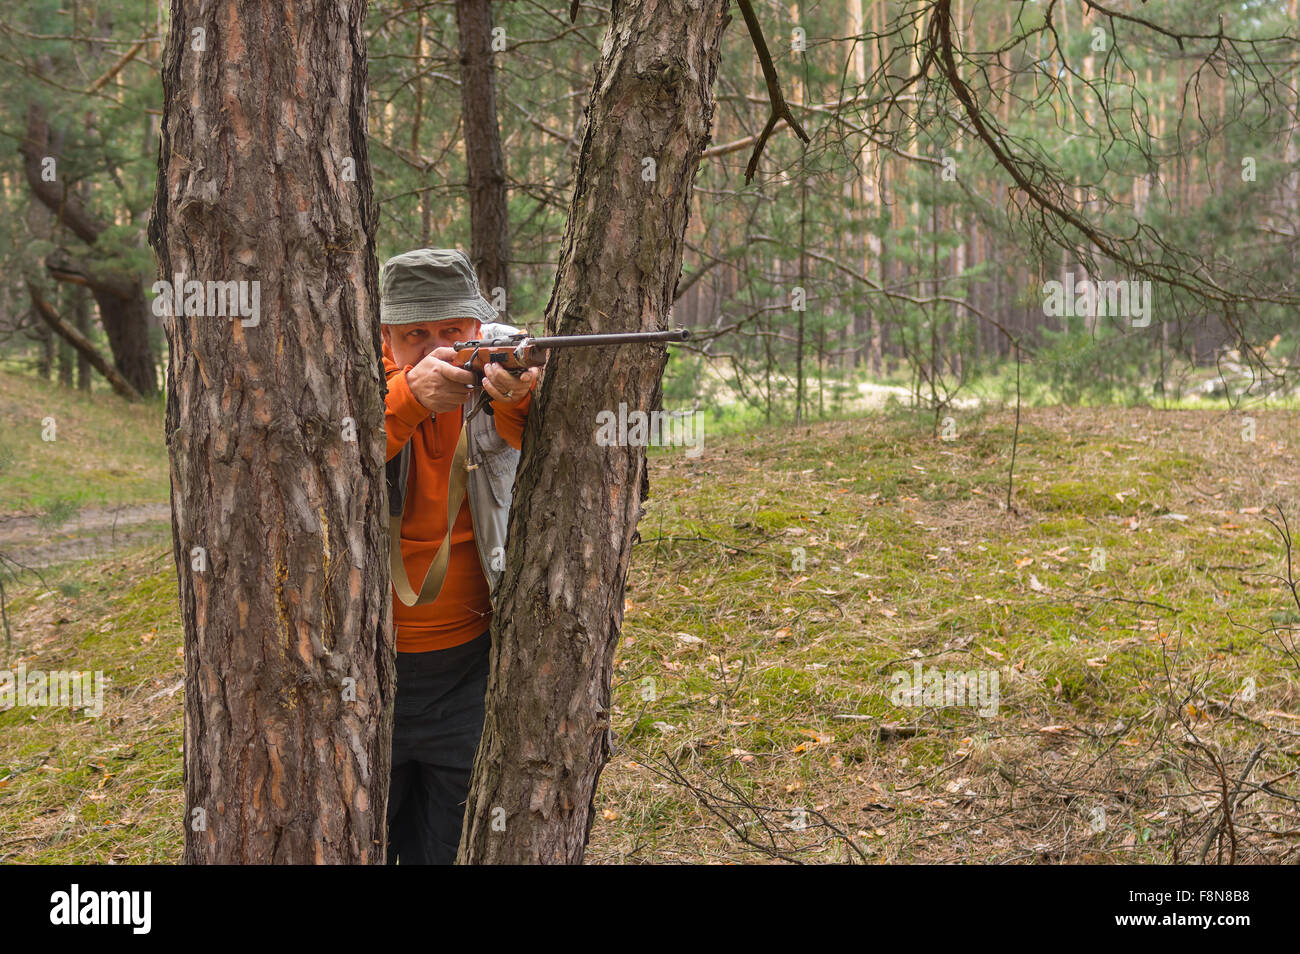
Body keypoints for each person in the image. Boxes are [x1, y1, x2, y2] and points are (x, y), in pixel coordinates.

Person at [379, 248, 540, 864]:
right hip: (365, 677)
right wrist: (409, 399)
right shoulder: (344, 375)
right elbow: (321, 461)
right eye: (414, 332)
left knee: (448, 849)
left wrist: (517, 400)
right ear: (384, 334)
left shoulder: (505, 361)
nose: (436, 345)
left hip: (472, 671)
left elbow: (554, 456)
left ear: (477, 326)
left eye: (452, 330)